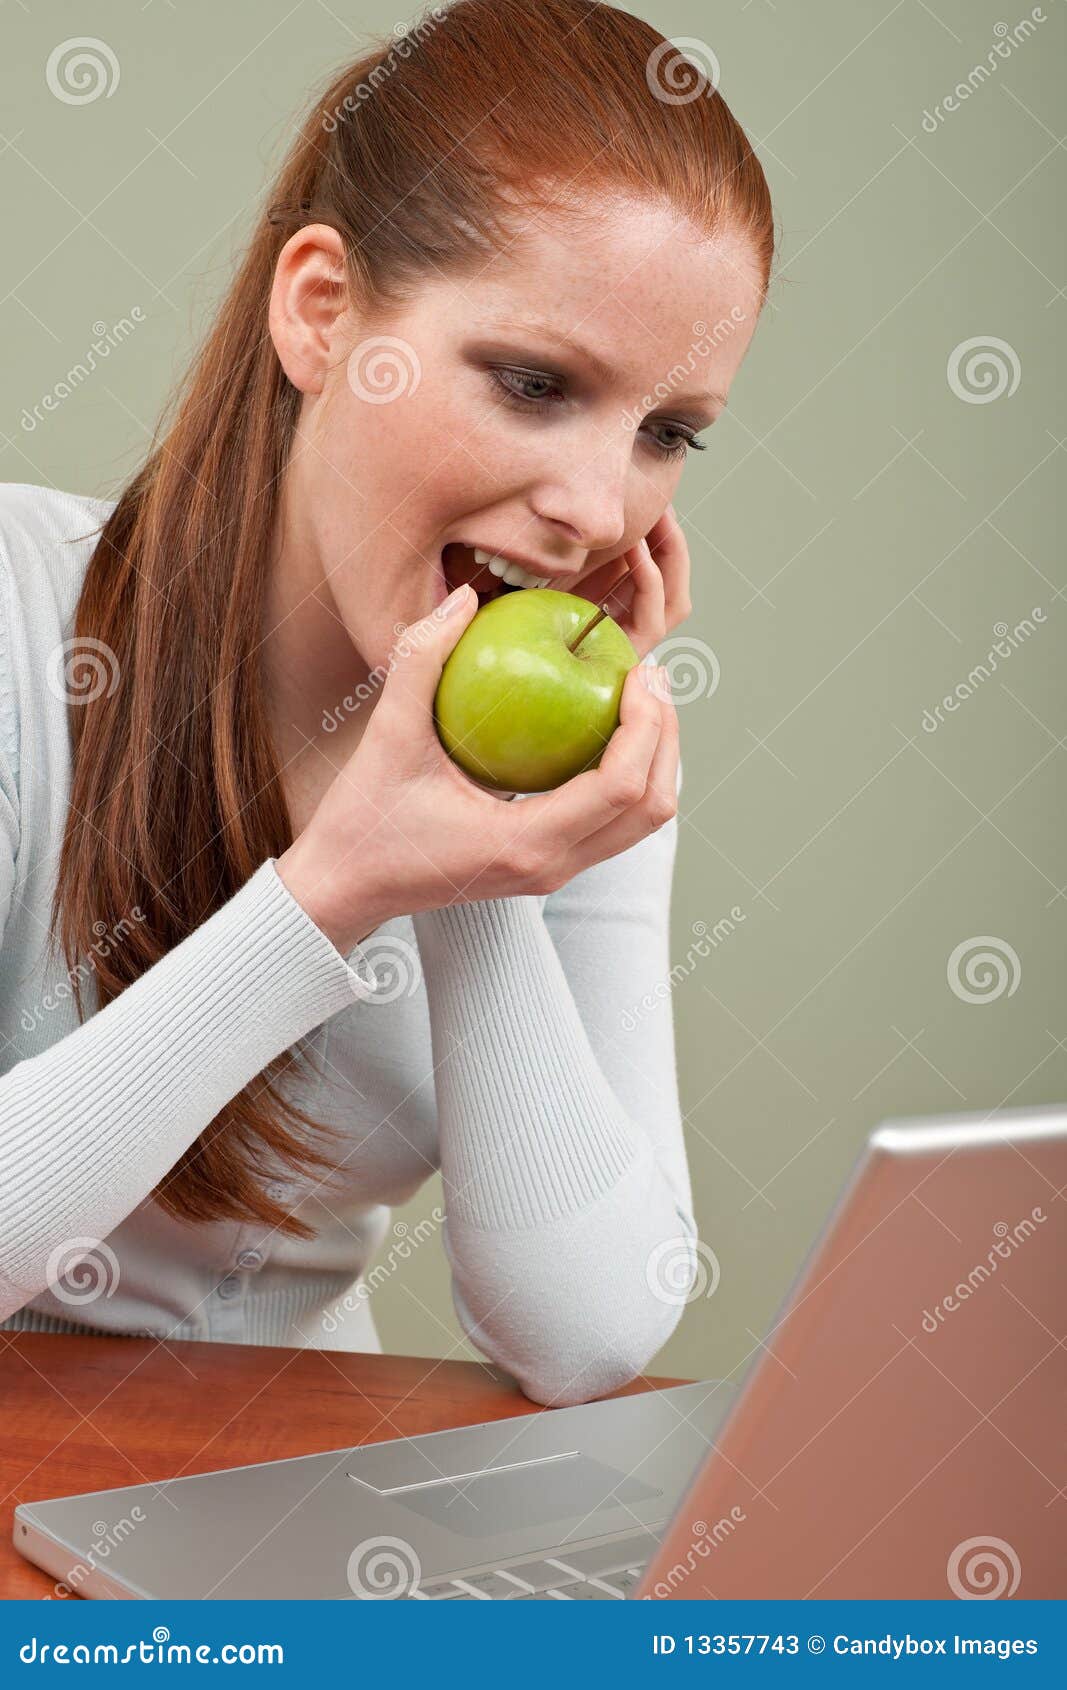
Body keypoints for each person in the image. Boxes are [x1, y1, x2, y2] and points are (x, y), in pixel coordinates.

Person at [0, 0, 773, 1405]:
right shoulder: (15, 623)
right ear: (323, 311)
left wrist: (483, 853)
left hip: (291, 1513)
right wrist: (331, 894)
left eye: (667, 432)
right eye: (534, 383)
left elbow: (588, 1332)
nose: (599, 509)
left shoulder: (584, 763)